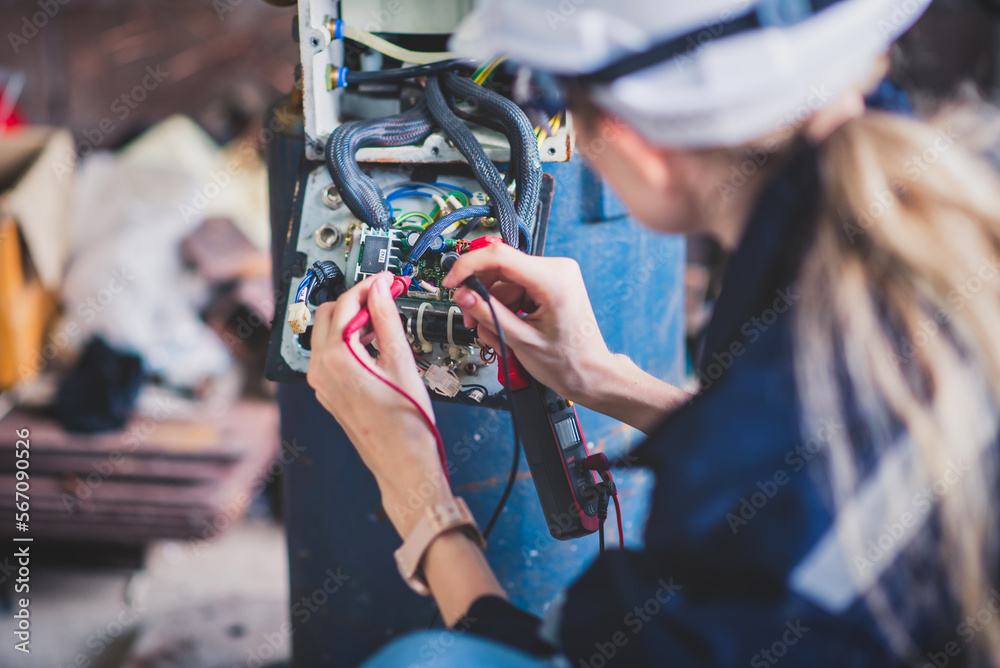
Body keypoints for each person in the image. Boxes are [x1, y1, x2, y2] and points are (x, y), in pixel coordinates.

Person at [305, 0, 1000, 665]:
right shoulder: (950, 219)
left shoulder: (791, 405)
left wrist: (417, 493)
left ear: (636, 144)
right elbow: (847, 472)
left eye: (550, 100)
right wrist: (599, 376)